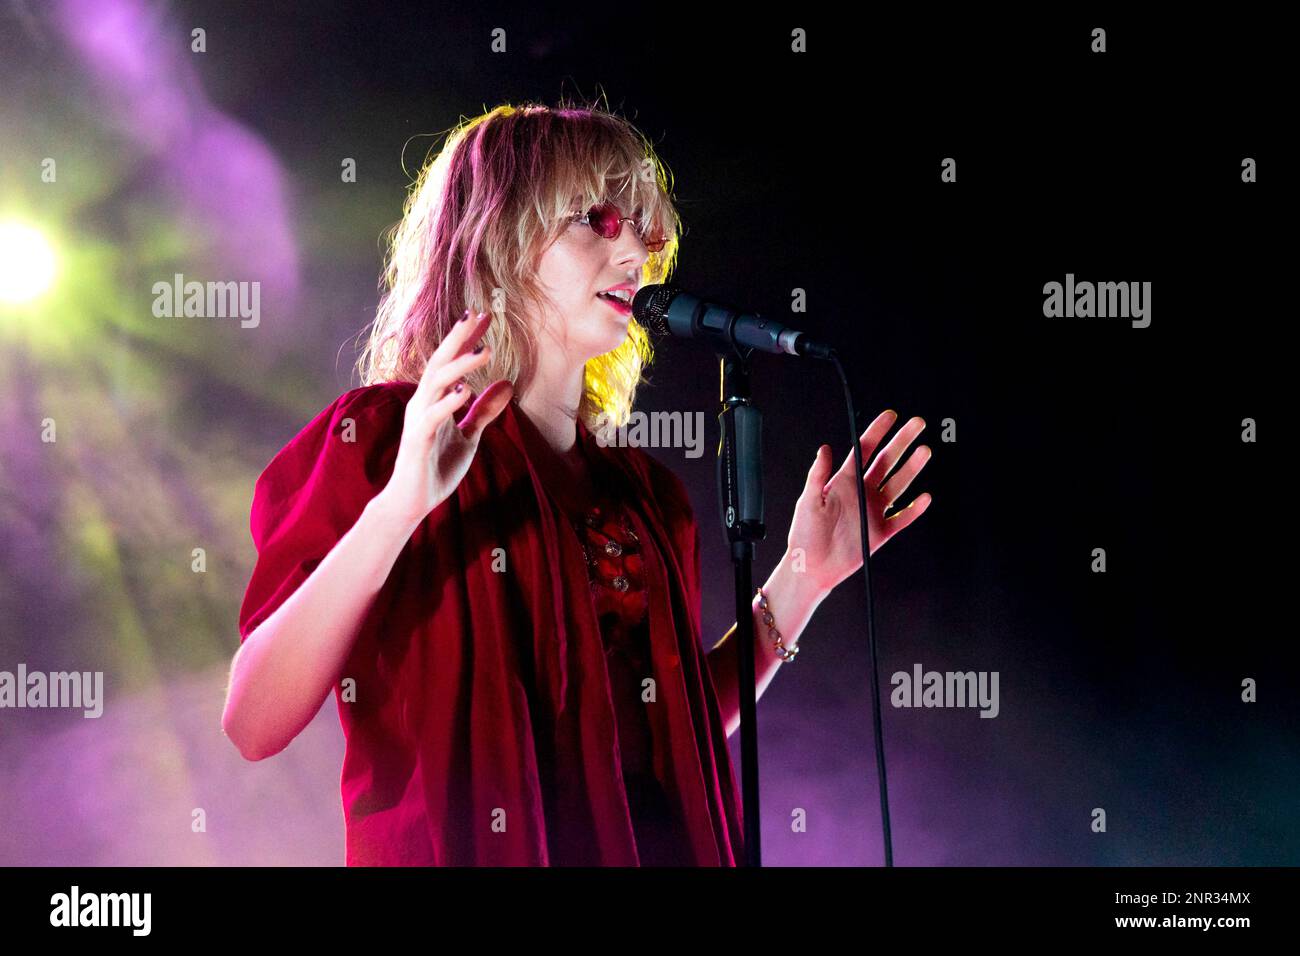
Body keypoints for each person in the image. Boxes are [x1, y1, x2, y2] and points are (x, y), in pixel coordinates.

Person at [220, 101, 933, 866]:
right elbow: (253, 720)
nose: (633, 252)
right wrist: (399, 507)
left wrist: (804, 578)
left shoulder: (643, 494)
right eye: (595, 219)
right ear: (496, 241)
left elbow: (672, 728)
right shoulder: (381, 437)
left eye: (640, 227)